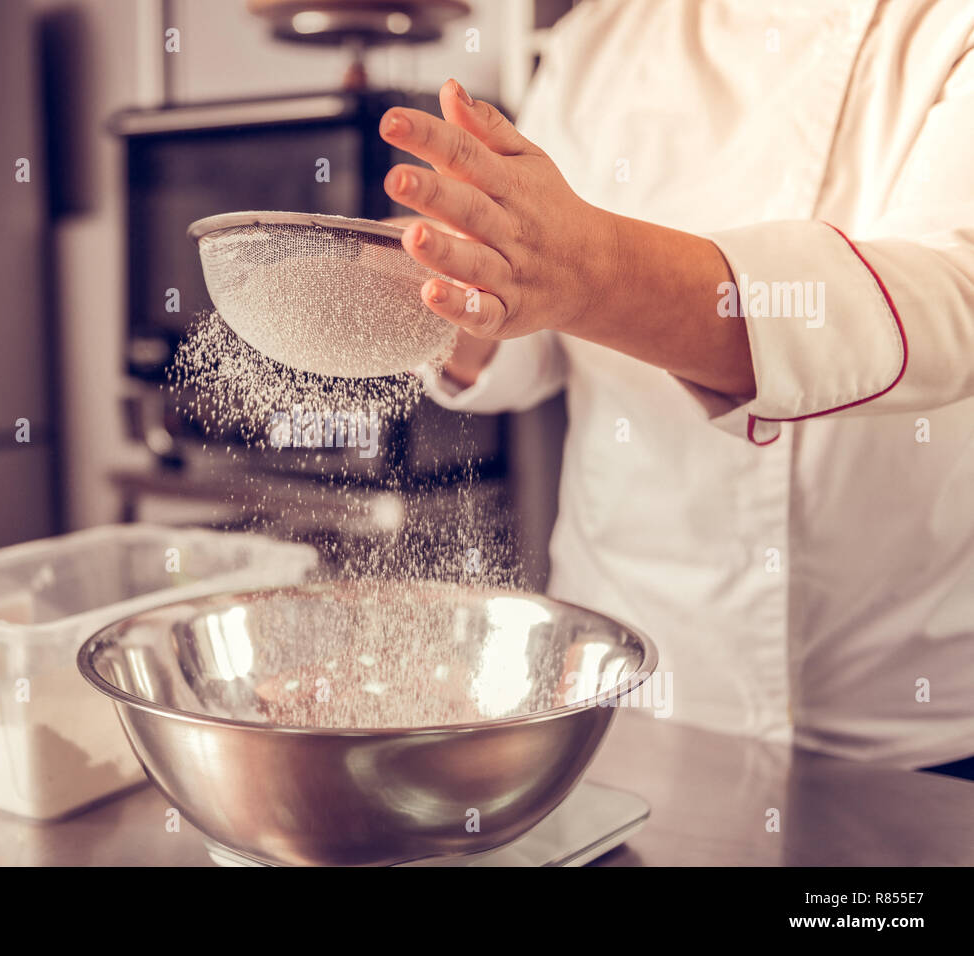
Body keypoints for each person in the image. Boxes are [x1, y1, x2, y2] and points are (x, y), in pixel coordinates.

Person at [383, 0, 974, 775]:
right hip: (623, 684)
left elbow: (950, 301)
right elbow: (533, 350)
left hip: (905, 717)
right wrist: (453, 289)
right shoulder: (602, 37)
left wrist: (596, 271)